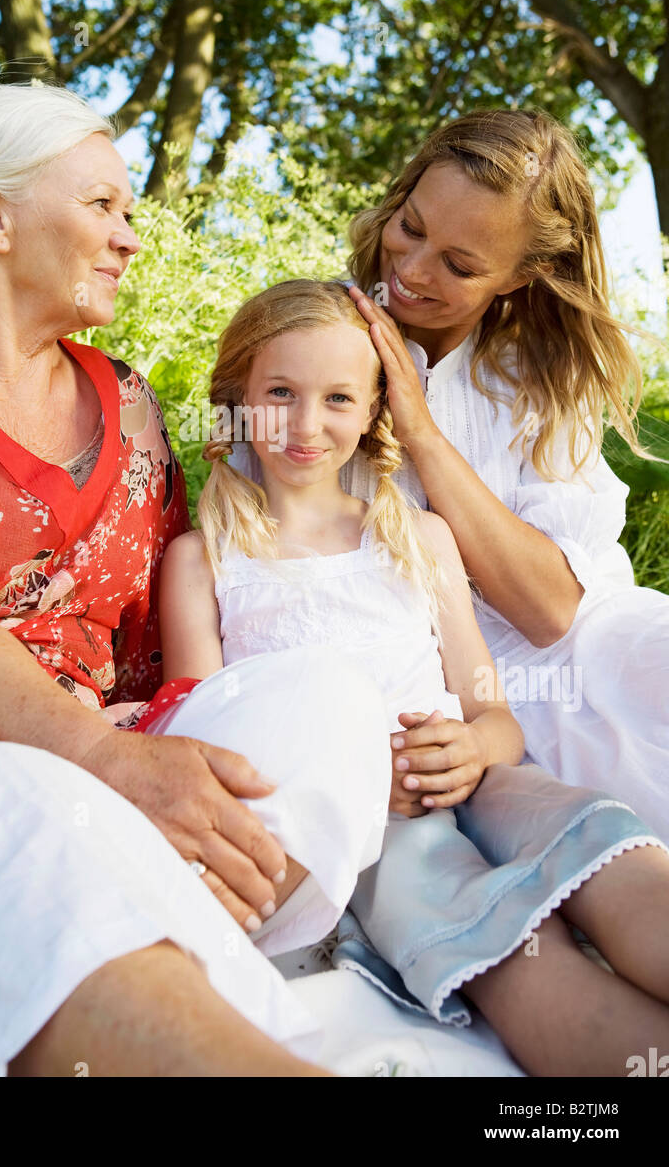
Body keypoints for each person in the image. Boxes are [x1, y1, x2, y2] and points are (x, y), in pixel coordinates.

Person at [0, 81, 331, 1078]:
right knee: (21, 803)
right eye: (100, 205)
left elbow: (183, 615)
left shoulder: (129, 403)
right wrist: (109, 762)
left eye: (128, 211)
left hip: (99, 767)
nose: (129, 236)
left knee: (320, 701)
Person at [160, 279, 669, 1076]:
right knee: (503, 946)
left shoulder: (417, 537)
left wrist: (472, 751)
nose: (305, 424)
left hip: (482, 790)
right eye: (280, 394)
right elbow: (205, 748)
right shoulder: (206, 561)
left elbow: (493, 717)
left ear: (373, 413)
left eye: (337, 398)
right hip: (377, 835)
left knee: (609, 854)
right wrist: (357, 781)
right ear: (235, 402)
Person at [342, 109, 669, 844]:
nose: (414, 270)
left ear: (524, 276)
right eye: (411, 225)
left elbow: (551, 613)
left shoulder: (541, 374)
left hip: (573, 652)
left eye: (460, 266)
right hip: (423, 670)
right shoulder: (320, 338)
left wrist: (420, 432)